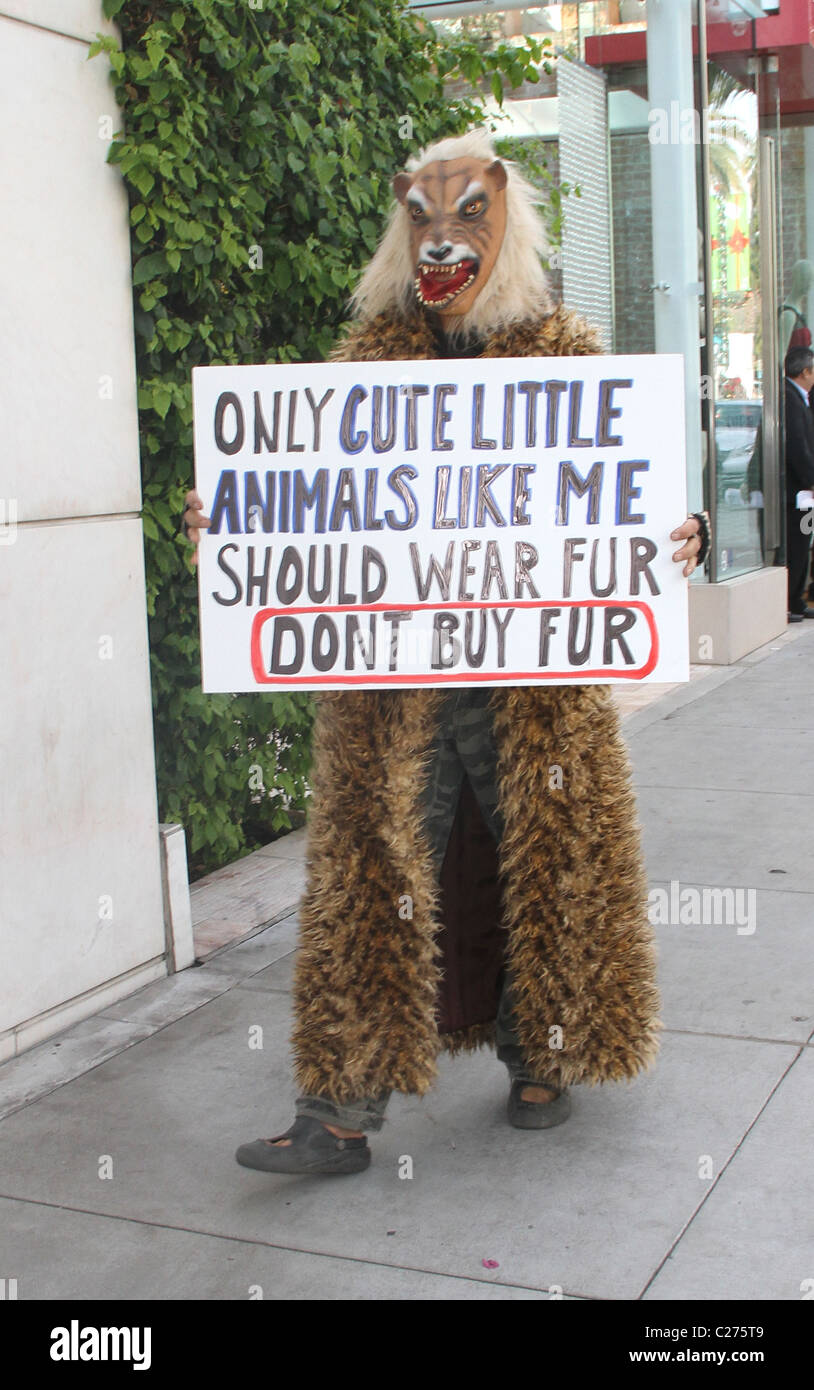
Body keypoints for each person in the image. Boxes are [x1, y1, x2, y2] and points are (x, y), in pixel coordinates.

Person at [182, 130, 709, 1175]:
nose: (437, 240)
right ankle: (335, 1110)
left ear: (502, 219)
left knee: (547, 860)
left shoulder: (563, 355)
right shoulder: (366, 366)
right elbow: (309, 500)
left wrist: (676, 536)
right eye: (419, 216)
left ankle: (542, 1055)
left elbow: (622, 497)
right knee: (368, 878)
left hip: (529, 685)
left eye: (463, 213)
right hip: (395, 685)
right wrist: (232, 518)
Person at [783, 345, 814, 622]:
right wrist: (811, 480)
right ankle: (789, 601)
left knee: (803, 542)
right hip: (796, 490)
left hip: (801, 491)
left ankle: (796, 600)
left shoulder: (800, 396)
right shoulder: (790, 398)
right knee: (795, 543)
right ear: (805, 371)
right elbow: (796, 446)